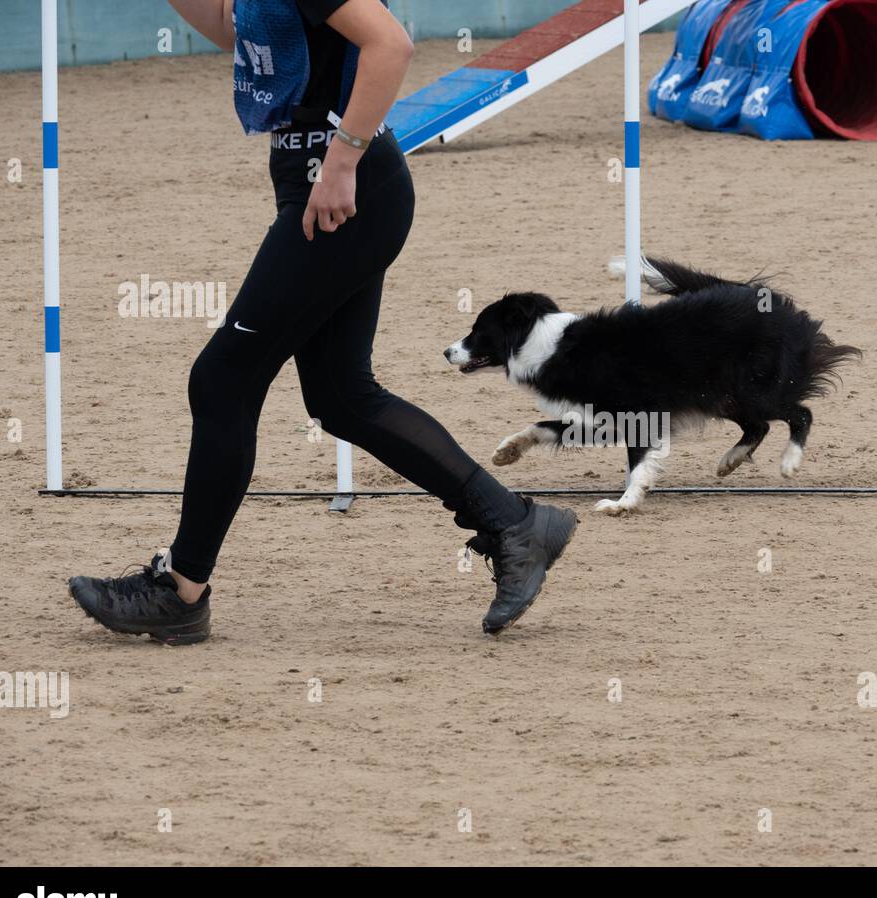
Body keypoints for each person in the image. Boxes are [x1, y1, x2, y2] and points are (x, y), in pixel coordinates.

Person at [68, 0, 576, 643]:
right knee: (340, 397)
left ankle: (181, 589)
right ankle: (515, 524)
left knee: (222, 379)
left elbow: (389, 44)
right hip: (327, 184)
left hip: (345, 188)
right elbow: (238, 30)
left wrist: (342, 160)